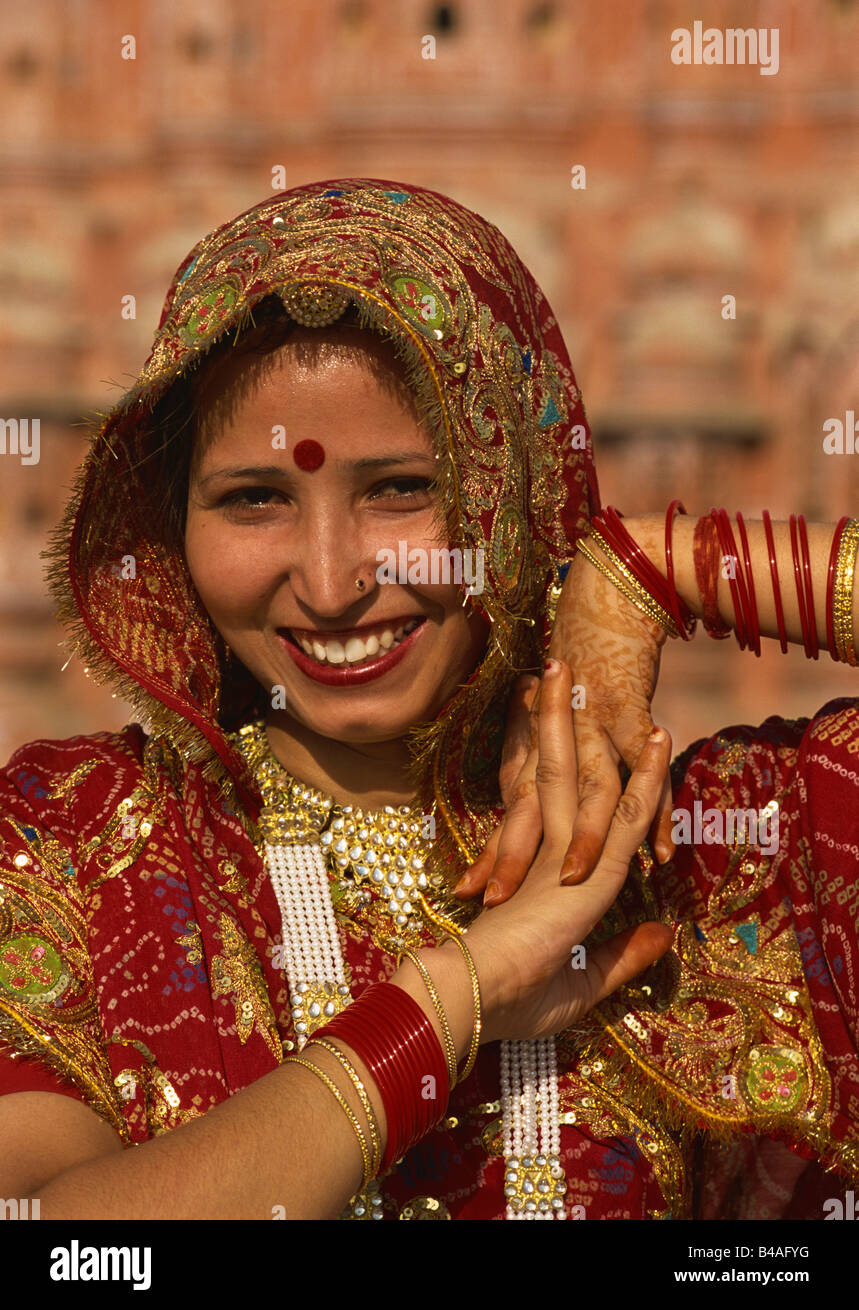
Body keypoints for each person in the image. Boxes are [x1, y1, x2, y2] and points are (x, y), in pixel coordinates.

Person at [0, 177, 855, 1220]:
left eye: (401, 489)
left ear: (518, 490)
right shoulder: (77, 844)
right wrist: (453, 998)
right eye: (255, 499)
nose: (328, 582)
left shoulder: (715, 850)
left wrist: (654, 568)